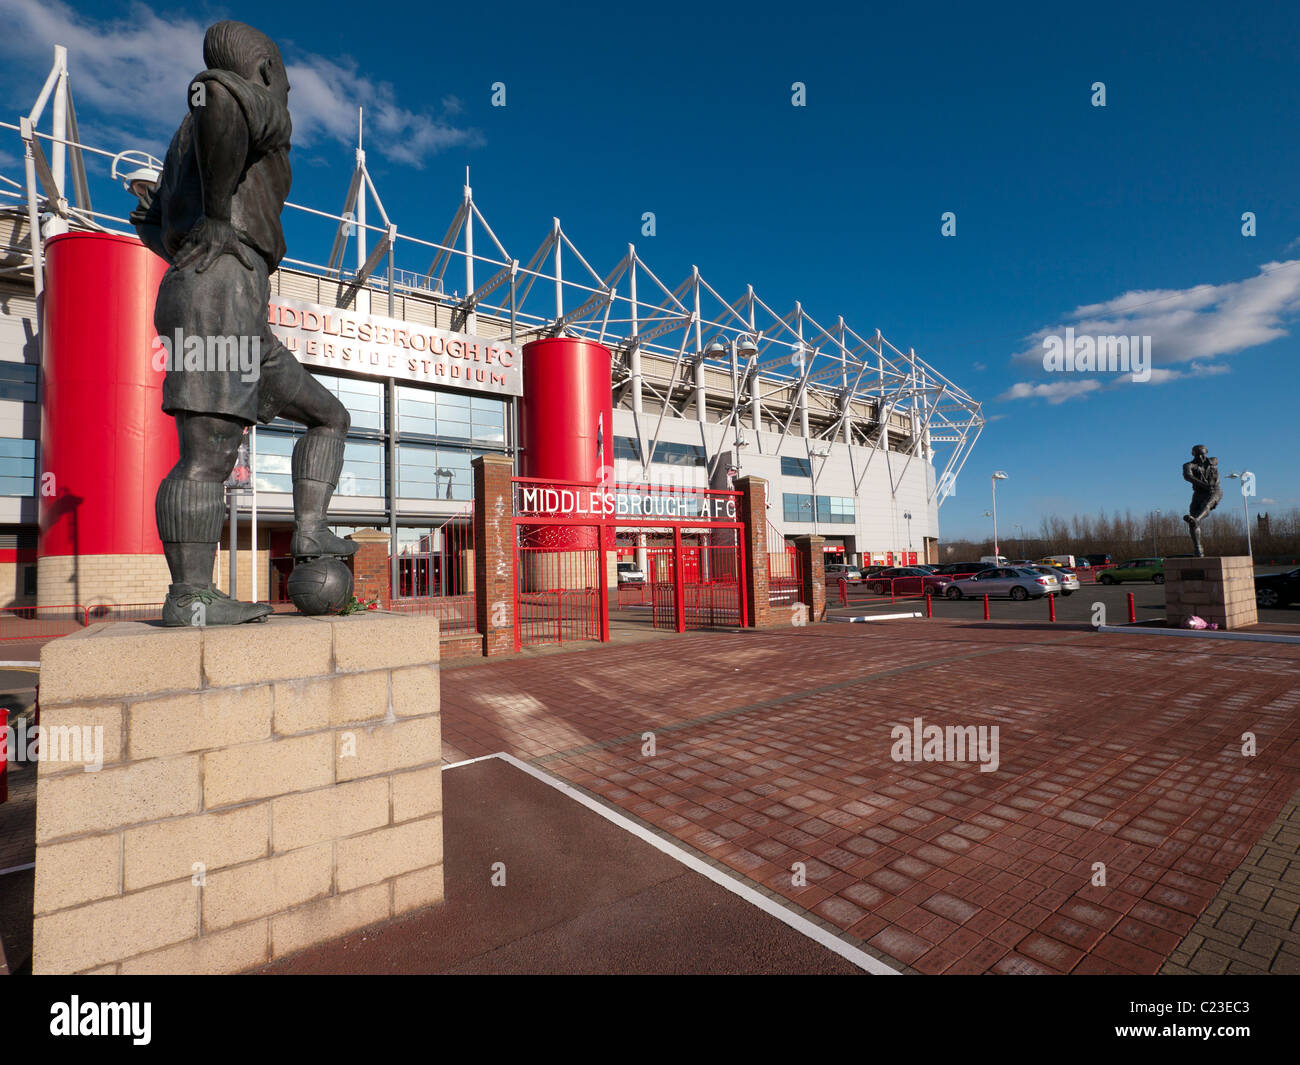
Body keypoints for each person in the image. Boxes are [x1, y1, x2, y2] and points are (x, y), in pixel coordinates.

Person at [132, 20, 355, 626]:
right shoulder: (244, 94)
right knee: (208, 455)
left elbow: (156, 230)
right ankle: (192, 597)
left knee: (329, 415)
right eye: (282, 82)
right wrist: (212, 216)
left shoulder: (187, 143)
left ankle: (310, 532)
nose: (285, 97)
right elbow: (215, 93)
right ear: (267, 72)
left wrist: (182, 220)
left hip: (227, 304)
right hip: (220, 299)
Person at [1182, 445, 1222, 558]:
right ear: (1193, 455)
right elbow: (1187, 476)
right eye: (1197, 454)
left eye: (1203, 454)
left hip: (1214, 491)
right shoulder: (1188, 465)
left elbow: (1216, 467)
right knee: (1192, 520)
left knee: (1207, 505)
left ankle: (1197, 519)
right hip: (1199, 493)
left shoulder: (1213, 461)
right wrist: (1204, 485)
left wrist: (1212, 485)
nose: (1201, 457)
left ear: (1206, 453)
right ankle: (1198, 548)